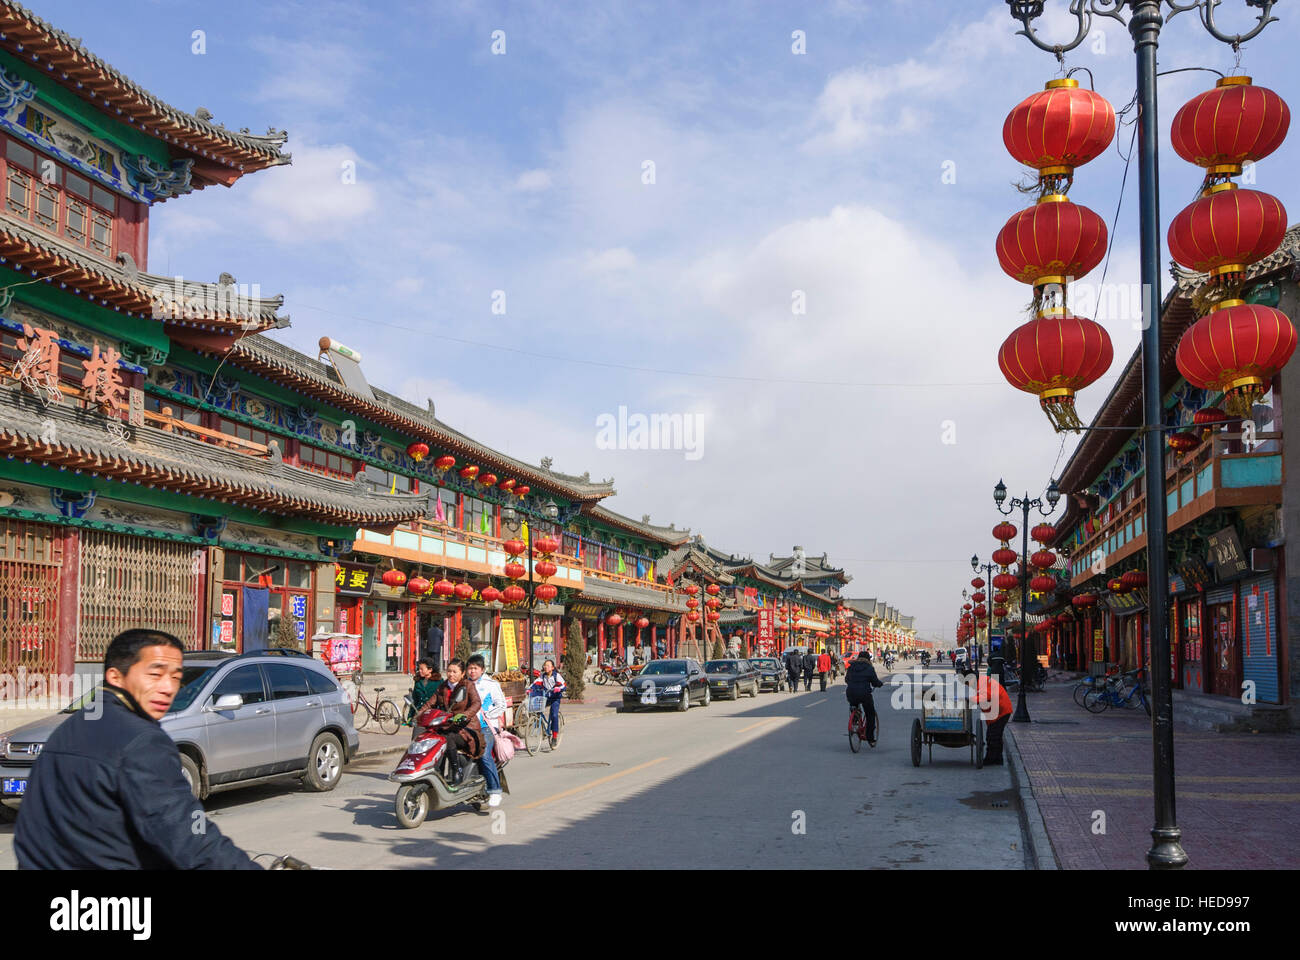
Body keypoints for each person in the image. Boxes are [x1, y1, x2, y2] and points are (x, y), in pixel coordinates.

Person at [15, 629, 259, 869]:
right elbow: (190, 836)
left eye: (176, 677)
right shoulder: (143, 741)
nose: (168, 687)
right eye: (155, 674)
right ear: (115, 677)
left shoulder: (68, 730)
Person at [436, 658, 484, 785]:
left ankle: (457, 771)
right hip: (449, 726)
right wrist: (418, 715)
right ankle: (438, 773)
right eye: (449, 671)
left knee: (447, 738)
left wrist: (464, 715)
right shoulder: (443, 687)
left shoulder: (468, 685)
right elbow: (430, 703)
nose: (451, 674)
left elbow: (476, 703)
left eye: (454, 672)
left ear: (462, 674)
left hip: (467, 729)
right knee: (434, 737)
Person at [466, 655, 505, 807]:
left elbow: (501, 704)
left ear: (482, 670)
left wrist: (487, 715)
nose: (472, 671)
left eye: (475, 668)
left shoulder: (491, 684)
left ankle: (495, 790)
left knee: (484, 753)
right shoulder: (464, 684)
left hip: (486, 726)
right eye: (470, 668)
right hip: (467, 727)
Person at [970, 672, 1014, 765]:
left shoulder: (983, 683)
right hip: (999, 711)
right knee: (996, 736)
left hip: (1001, 711)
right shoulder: (983, 682)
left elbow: (986, 696)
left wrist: (971, 700)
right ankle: (998, 758)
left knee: (992, 736)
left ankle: (991, 759)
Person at [844, 651, 884, 746]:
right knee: (870, 714)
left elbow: (847, 679)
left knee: (854, 703)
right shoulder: (869, 668)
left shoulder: (851, 667)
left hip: (851, 693)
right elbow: (875, 682)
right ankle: (870, 737)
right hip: (864, 694)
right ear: (868, 659)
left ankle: (855, 720)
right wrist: (879, 684)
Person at [530, 658, 566, 749]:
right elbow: (535, 683)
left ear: (552, 668)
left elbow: (564, 685)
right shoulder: (543, 676)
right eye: (545, 665)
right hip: (546, 697)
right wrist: (530, 689)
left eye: (548, 666)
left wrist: (559, 688)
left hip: (555, 698)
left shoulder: (556, 676)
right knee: (536, 708)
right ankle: (541, 726)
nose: (545, 667)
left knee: (554, 715)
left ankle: (554, 736)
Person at [409, 657, 442, 723]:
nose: (419, 671)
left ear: (430, 670)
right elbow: (414, 700)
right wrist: (410, 717)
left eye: (422, 669)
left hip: (433, 715)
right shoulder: (418, 681)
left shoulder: (439, 682)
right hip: (419, 714)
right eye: (419, 669)